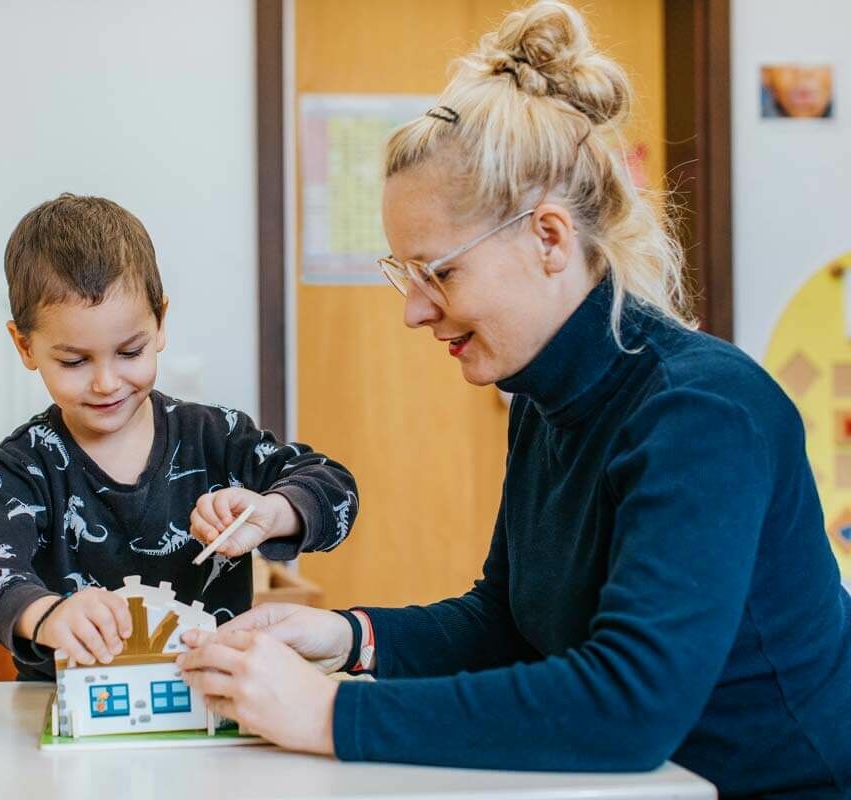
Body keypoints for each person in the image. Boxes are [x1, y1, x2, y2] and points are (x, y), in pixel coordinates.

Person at [178, 3, 851, 796]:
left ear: (550, 238)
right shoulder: (545, 399)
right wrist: (345, 637)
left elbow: (629, 707)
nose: (414, 310)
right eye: (405, 274)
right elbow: (505, 623)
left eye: (442, 272)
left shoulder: (705, 412)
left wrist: (327, 715)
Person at [0, 193, 357, 676]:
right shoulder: (22, 466)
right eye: (74, 361)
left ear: (160, 322)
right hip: (72, 713)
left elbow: (336, 489)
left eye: (130, 352)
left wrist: (273, 510)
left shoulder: (217, 437)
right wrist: (48, 616)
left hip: (209, 700)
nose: (106, 382)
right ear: (25, 345)